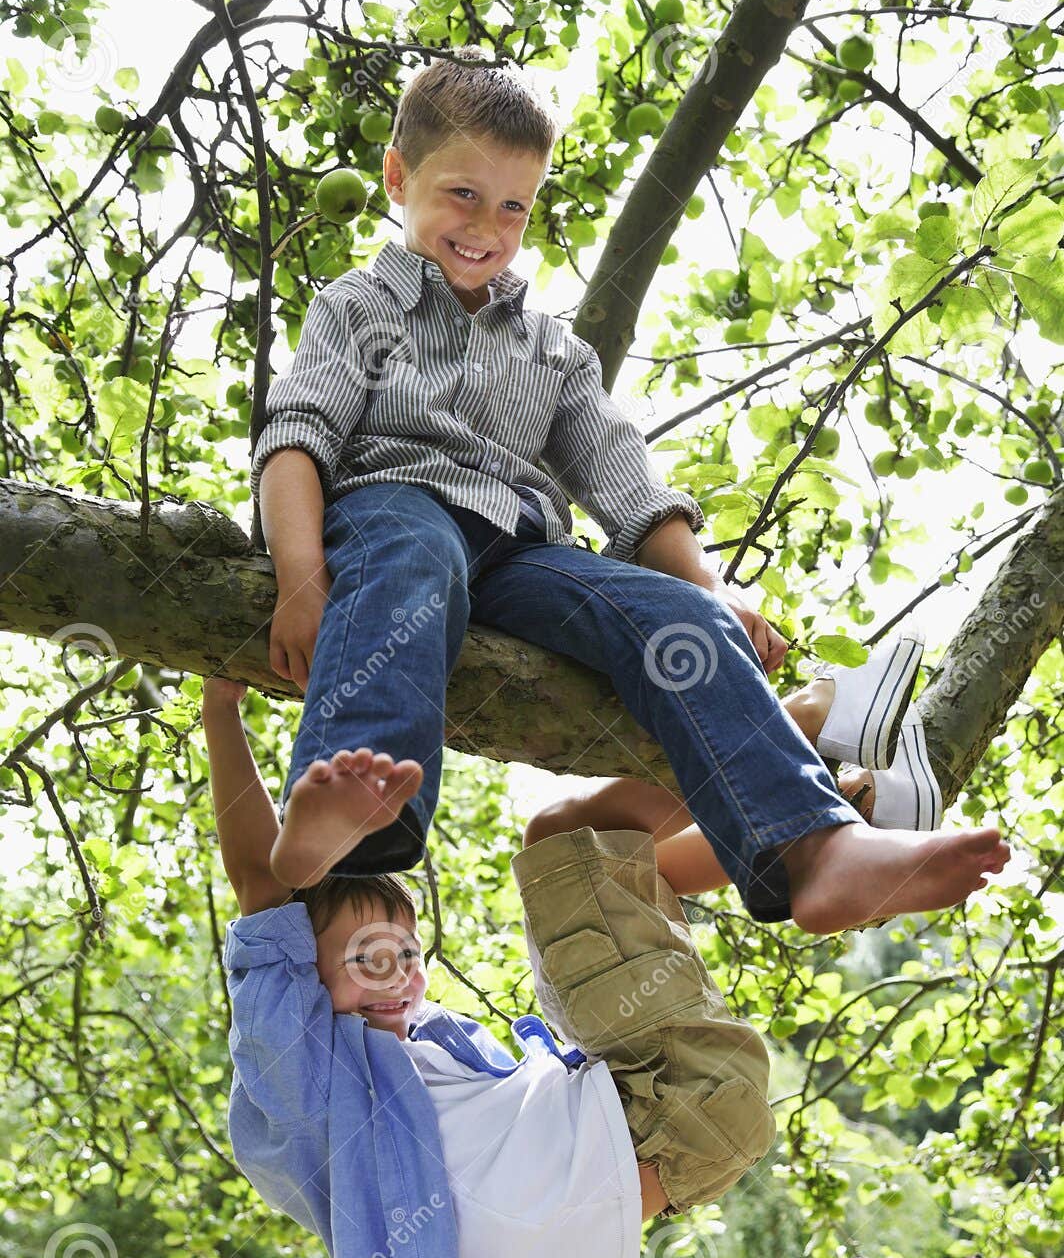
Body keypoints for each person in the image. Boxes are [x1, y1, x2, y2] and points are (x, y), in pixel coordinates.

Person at [249, 45, 1009, 933]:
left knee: (676, 619)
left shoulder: (553, 352)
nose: (485, 224)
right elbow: (296, 440)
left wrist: (712, 596)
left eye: (513, 206)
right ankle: (345, 818)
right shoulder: (358, 306)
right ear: (396, 175)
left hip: (519, 554)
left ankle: (813, 847)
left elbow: (626, 482)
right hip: (395, 503)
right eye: (462, 193)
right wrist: (302, 577)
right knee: (416, 556)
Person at [203, 676, 784, 1258]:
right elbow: (261, 896)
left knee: (610, 862)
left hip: (661, 1109)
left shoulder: (431, 1054)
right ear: (302, 981)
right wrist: (221, 715)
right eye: (367, 957)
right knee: (567, 839)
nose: (399, 975)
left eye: (408, 953)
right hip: (674, 1119)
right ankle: (797, 742)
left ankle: (812, 824)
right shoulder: (318, 1092)